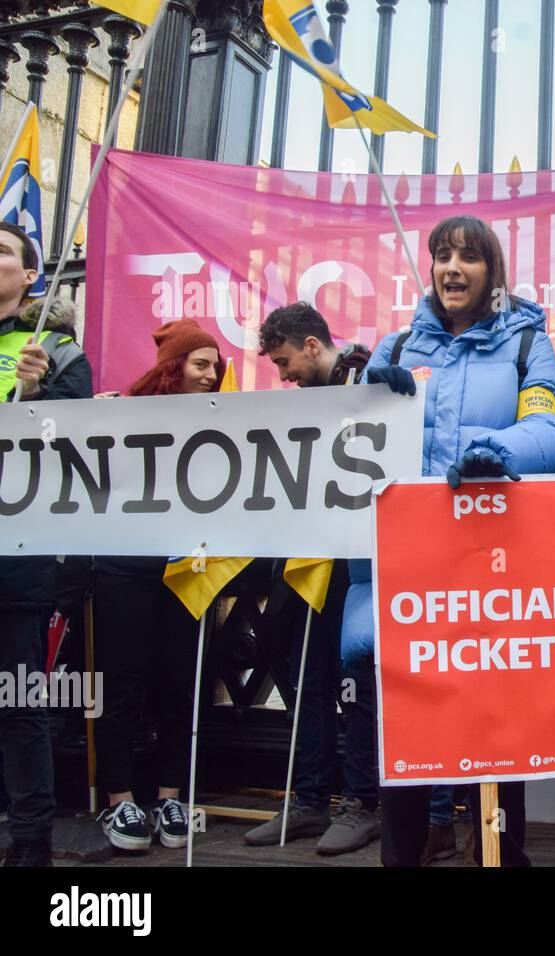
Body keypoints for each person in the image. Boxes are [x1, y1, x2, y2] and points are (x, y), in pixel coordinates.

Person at [340, 215, 555, 867]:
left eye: (468, 256)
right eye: (441, 254)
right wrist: (366, 398)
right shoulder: (394, 346)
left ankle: (498, 856)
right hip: (412, 576)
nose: (451, 267)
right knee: (408, 746)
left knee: (497, 746)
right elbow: (352, 453)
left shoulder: (527, 342)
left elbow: (552, 431)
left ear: (491, 272)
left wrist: (494, 453)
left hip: (490, 573)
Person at [241, 303, 381, 855]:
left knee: (359, 682)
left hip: (358, 564)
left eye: (285, 361)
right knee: (310, 683)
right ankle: (308, 799)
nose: (284, 375)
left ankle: (364, 801)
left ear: (313, 345)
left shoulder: (367, 376)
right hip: (308, 560)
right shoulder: (303, 402)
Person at [89, 320, 228, 852]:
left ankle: (171, 796)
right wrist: (92, 420)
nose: (211, 375)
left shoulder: (221, 422)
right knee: (120, 684)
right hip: (124, 566)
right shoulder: (121, 411)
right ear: (173, 366)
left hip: (186, 569)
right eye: (201, 364)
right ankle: (119, 800)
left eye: (215, 366)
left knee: (180, 683)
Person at [0, 226, 91, 867]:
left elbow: (77, 441)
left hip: (14, 555)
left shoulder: (56, 352)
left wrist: (35, 395)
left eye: (3, 251)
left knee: (18, 701)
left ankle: (31, 843)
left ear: (31, 275)